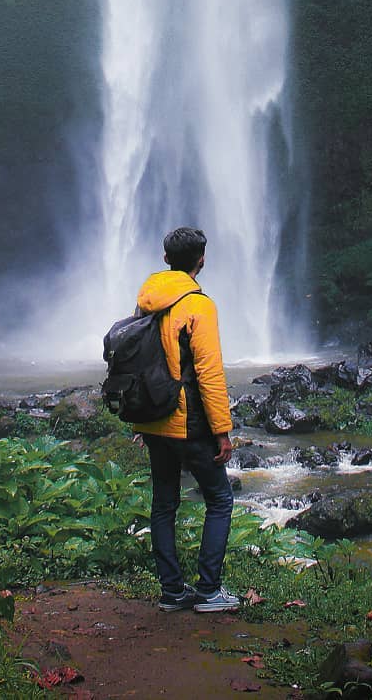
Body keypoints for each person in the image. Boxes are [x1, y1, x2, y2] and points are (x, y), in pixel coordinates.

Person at [132, 226, 238, 612]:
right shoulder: (199, 305)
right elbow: (210, 374)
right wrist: (222, 431)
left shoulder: (147, 301)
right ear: (201, 260)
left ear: (166, 260)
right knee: (220, 500)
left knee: (163, 504)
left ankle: (172, 592)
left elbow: (141, 363)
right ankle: (209, 591)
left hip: (154, 419)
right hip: (189, 422)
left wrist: (142, 420)